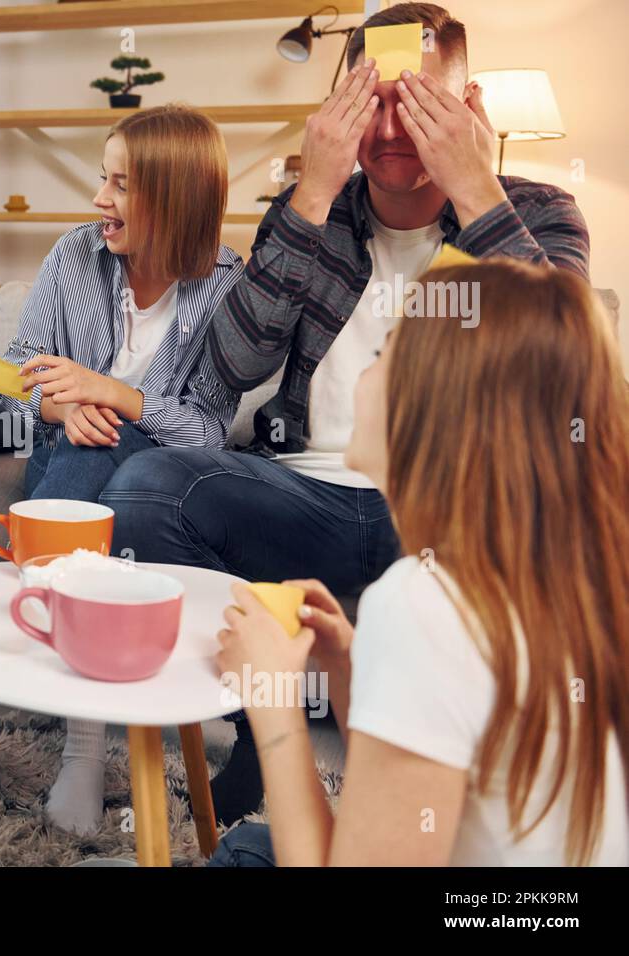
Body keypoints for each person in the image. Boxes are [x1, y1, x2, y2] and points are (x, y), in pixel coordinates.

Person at [99, 2, 590, 825]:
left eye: (420, 100)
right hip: (310, 493)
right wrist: (313, 194)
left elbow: (563, 372)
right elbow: (230, 368)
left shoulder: (538, 212)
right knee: (145, 486)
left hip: (450, 504)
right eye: (375, 101)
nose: (395, 127)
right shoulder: (311, 211)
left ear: (470, 105)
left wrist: (476, 187)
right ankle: (262, 721)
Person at [209, 258, 628, 866]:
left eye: (384, 354)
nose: (362, 374)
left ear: (441, 405)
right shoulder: (573, 582)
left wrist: (270, 697)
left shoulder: (424, 604)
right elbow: (421, 787)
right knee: (252, 845)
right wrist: (356, 669)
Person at [0, 105, 245, 836]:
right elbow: (5, 369)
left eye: (121, 185)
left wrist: (115, 393)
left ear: (175, 196)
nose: (100, 200)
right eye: (103, 178)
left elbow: (210, 433)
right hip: (64, 468)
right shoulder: (74, 255)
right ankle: (83, 755)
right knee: (93, 443)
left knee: (115, 441)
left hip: (159, 493)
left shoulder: (226, 287)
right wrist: (59, 409)